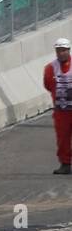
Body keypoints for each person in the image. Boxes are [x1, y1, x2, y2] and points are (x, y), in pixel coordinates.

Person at [44, 37, 72, 174]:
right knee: (63, 138)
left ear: (69, 50)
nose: (61, 53)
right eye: (59, 51)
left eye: (64, 50)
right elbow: (48, 85)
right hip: (62, 110)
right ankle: (65, 164)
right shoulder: (50, 68)